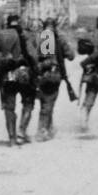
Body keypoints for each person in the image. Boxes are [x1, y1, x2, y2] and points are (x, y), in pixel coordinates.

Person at [0, 13, 37, 146]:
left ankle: (12, 139)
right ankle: (22, 130)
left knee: (9, 108)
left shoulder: (0, 35)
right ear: (20, 22)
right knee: (28, 103)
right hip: (25, 75)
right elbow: (33, 55)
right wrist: (36, 71)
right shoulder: (27, 35)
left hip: (8, 76)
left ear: (7, 23)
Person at [32, 14, 74, 142]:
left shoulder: (41, 36)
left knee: (46, 102)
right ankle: (42, 130)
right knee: (48, 102)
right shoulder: (50, 37)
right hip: (51, 74)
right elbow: (70, 55)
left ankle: (48, 128)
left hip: (41, 74)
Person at [77, 15, 98, 131]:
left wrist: (86, 62)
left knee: (89, 97)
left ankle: (83, 122)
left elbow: (82, 50)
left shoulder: (90, 36)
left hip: (92, 71)